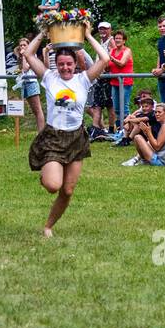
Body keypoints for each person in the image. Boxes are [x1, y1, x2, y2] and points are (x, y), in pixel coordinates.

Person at [21, 24, 110, 238]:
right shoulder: (49, 78)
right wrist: (43, 32)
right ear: (56, 65)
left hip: (76, 138)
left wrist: (87, 35)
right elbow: (28, 53)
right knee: (53, 186)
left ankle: (48, 226)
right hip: (53, 137)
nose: (65, 68)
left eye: (69, 64)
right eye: (61, 64)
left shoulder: (83, 79)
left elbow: (105, 60)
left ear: (75, 64)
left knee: (68, 190)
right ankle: (46, 175)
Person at [124, 102, 165, 166]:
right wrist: (147, 134)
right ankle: (139, 160)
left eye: (159, 112)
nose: (157, 114)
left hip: (163, 162)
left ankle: (144, 161)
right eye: (155, 112)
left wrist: (148, 133)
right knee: (148, 141)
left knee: (137, 137)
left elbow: (157, 147)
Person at [13, 36, 45, 130]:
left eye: (24, 45)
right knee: (35, 111)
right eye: (21, 45)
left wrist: (24, 56)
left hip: (32, 83)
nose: (22, 47)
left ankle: (41, 132)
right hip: (25, 84)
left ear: (29, 45)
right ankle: (40, 131)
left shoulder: (31, 55)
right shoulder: (23, 56)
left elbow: (26, 68)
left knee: (38, 110)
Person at [106, 31, 134, 126]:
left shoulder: (127, 50)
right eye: (116, 38)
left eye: (119, 38)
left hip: (125, 82)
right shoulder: (112, 51)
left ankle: (127, 129)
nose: (117, 40)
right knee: (116, 108)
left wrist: (111, 59)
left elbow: (122, 63)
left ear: (124, 40)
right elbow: (108, 65)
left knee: (124, 107)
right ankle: (119, 128)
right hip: (114, 82)